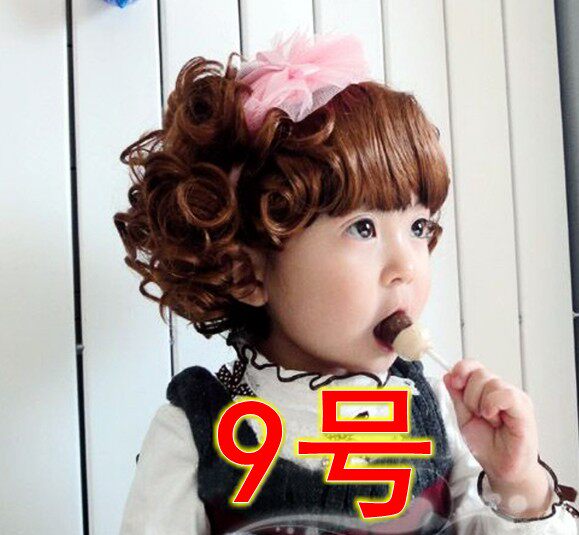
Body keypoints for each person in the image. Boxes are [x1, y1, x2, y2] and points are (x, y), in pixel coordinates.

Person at [114, 29, 579, 534]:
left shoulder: (440, 414)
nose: (405, 266)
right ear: (247, 272)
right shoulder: (193, 433)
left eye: (418, 227)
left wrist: (518, 483)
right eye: (363, 228)